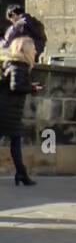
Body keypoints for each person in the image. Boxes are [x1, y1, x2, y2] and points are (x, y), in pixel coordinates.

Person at [1, 36, 42, 185]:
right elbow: (15, 86)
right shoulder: (20, 64)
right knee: (15, 142)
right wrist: (32, 88)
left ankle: (21, 173)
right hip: (7, 111)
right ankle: (22, 174)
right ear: (25, 50)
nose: (35, 50)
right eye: (33, 48)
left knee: (15, 141)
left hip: (8, 111)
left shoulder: (13, 64)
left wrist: (30, 85)